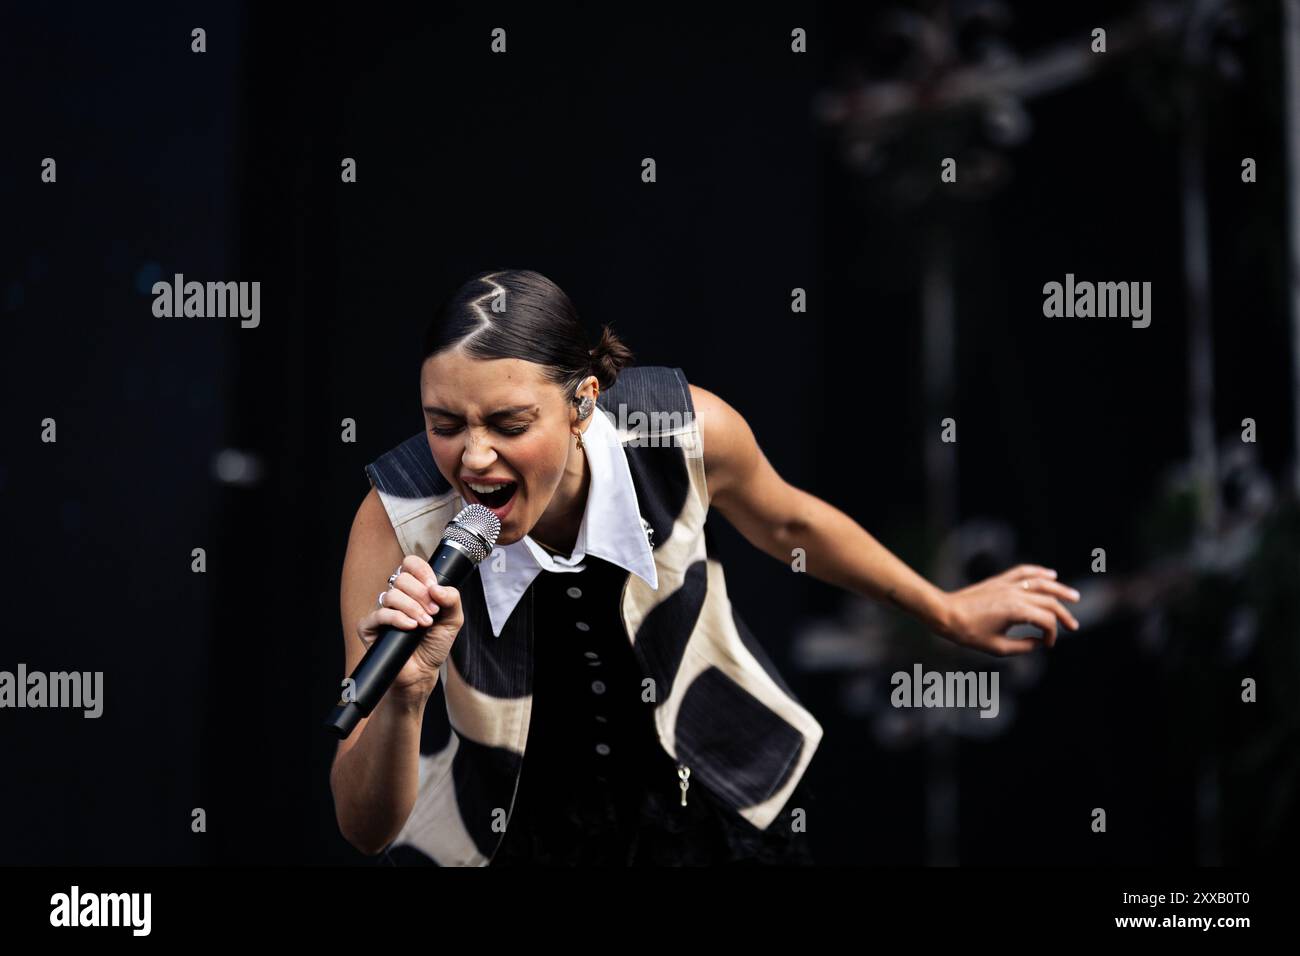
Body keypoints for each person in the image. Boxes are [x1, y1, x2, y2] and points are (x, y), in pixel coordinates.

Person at [329, 268, 1081, 866]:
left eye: (509, 423)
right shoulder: (396, 521)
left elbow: (789, 521)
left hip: (713, 801)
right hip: (512, 832)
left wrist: (944, 609)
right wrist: (403, 701)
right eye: (445, 425)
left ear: (583, 401)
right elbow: (363, 827)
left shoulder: (681, 428)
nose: (475, 456)